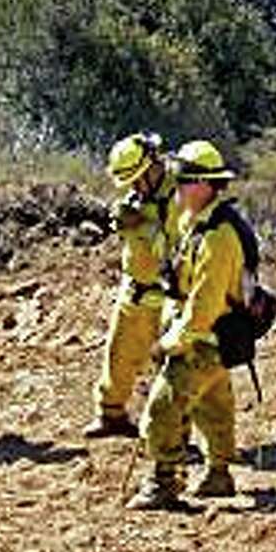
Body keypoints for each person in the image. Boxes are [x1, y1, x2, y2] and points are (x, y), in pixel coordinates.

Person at [127, 139, 246, 510]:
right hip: (207, 336)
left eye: (182, 181)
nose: (175, 187)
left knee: (163, 408)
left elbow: (204, 306)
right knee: (213, 405)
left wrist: (170, 343)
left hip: (204, 339)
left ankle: (164, 483)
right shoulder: (194, 222)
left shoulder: (218, 237)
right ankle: (219, 474)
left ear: (203, 185)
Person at [84, 131, 179, 440]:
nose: (136, 188)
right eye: (131, 183)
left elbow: (175, 251)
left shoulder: (178, 197)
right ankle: (111, 415)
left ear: (154, 165)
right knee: (119, 355)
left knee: (171, 368)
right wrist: (123, 224)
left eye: (139, 179)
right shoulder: (141, 194)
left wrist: (140, 227)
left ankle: (173, 432)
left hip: (164, 295)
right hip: (133, 287)